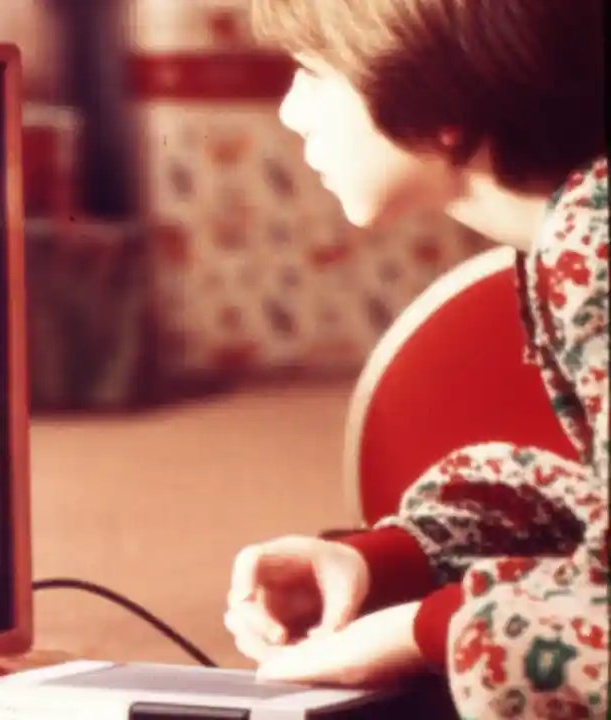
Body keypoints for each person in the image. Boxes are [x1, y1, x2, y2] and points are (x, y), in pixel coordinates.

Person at [223, 1, 608, 718]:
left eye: (312, 72)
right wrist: (388, 562)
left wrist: (416, 632)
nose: (290, 112)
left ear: (441, 103)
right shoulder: (571, 234)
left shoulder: (597, 250)